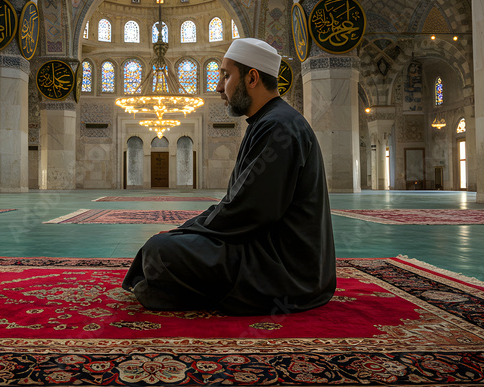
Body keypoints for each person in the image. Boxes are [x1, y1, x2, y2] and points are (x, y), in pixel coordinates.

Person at [122, 37, 336, 315]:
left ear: (252, 78)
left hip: (285, 270)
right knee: (170, 246)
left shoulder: (277, 126)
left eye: (225, 75)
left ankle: (169, 288)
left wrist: (187, 231)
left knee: (162, 250)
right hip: (285, 260)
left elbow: (247, 211)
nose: (219, 87)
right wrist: (190, 230)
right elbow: (242, 204)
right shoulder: (271, 121)